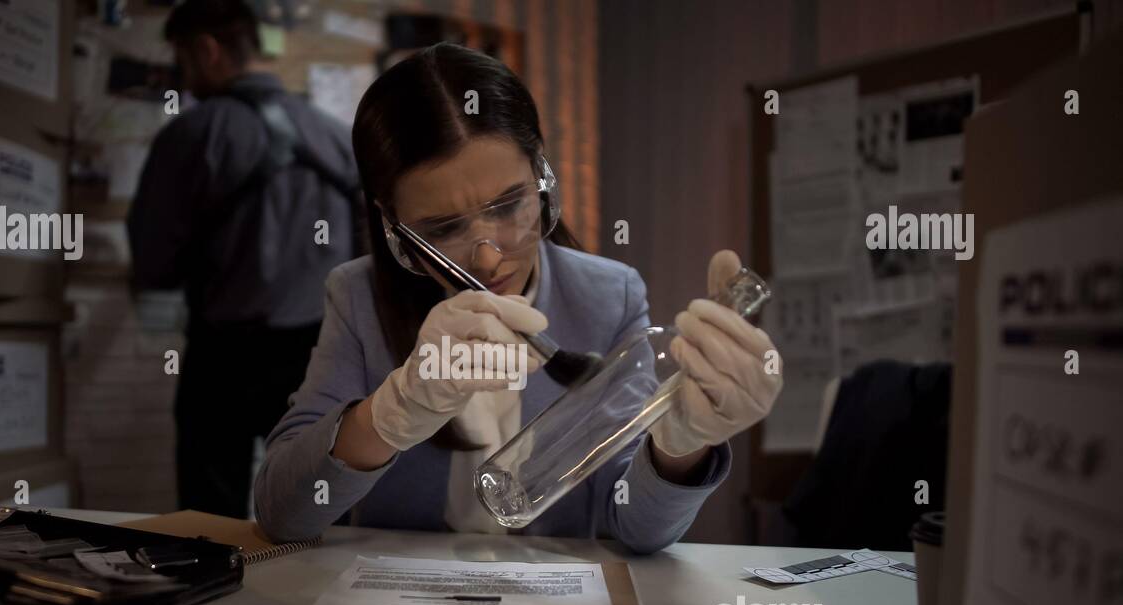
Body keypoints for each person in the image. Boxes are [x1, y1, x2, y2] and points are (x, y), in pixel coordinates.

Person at [252, 43, 783, 553]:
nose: (487, 258)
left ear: (542, 176)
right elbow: (282, 514)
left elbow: (637, 530)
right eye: (442, 228)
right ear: (392, 226)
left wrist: (682, 444)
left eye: (509, 207)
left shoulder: (610, 296)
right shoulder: (358, 296)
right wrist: (390, 413)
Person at [127, 0, 358, 517]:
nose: (184, 79)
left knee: (209, 520)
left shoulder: (191, 134)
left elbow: (153, 264)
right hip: (320, 359)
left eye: (183, 61)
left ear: (207, 50)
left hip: (223, 357)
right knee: (316, 511)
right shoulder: (338, 137)